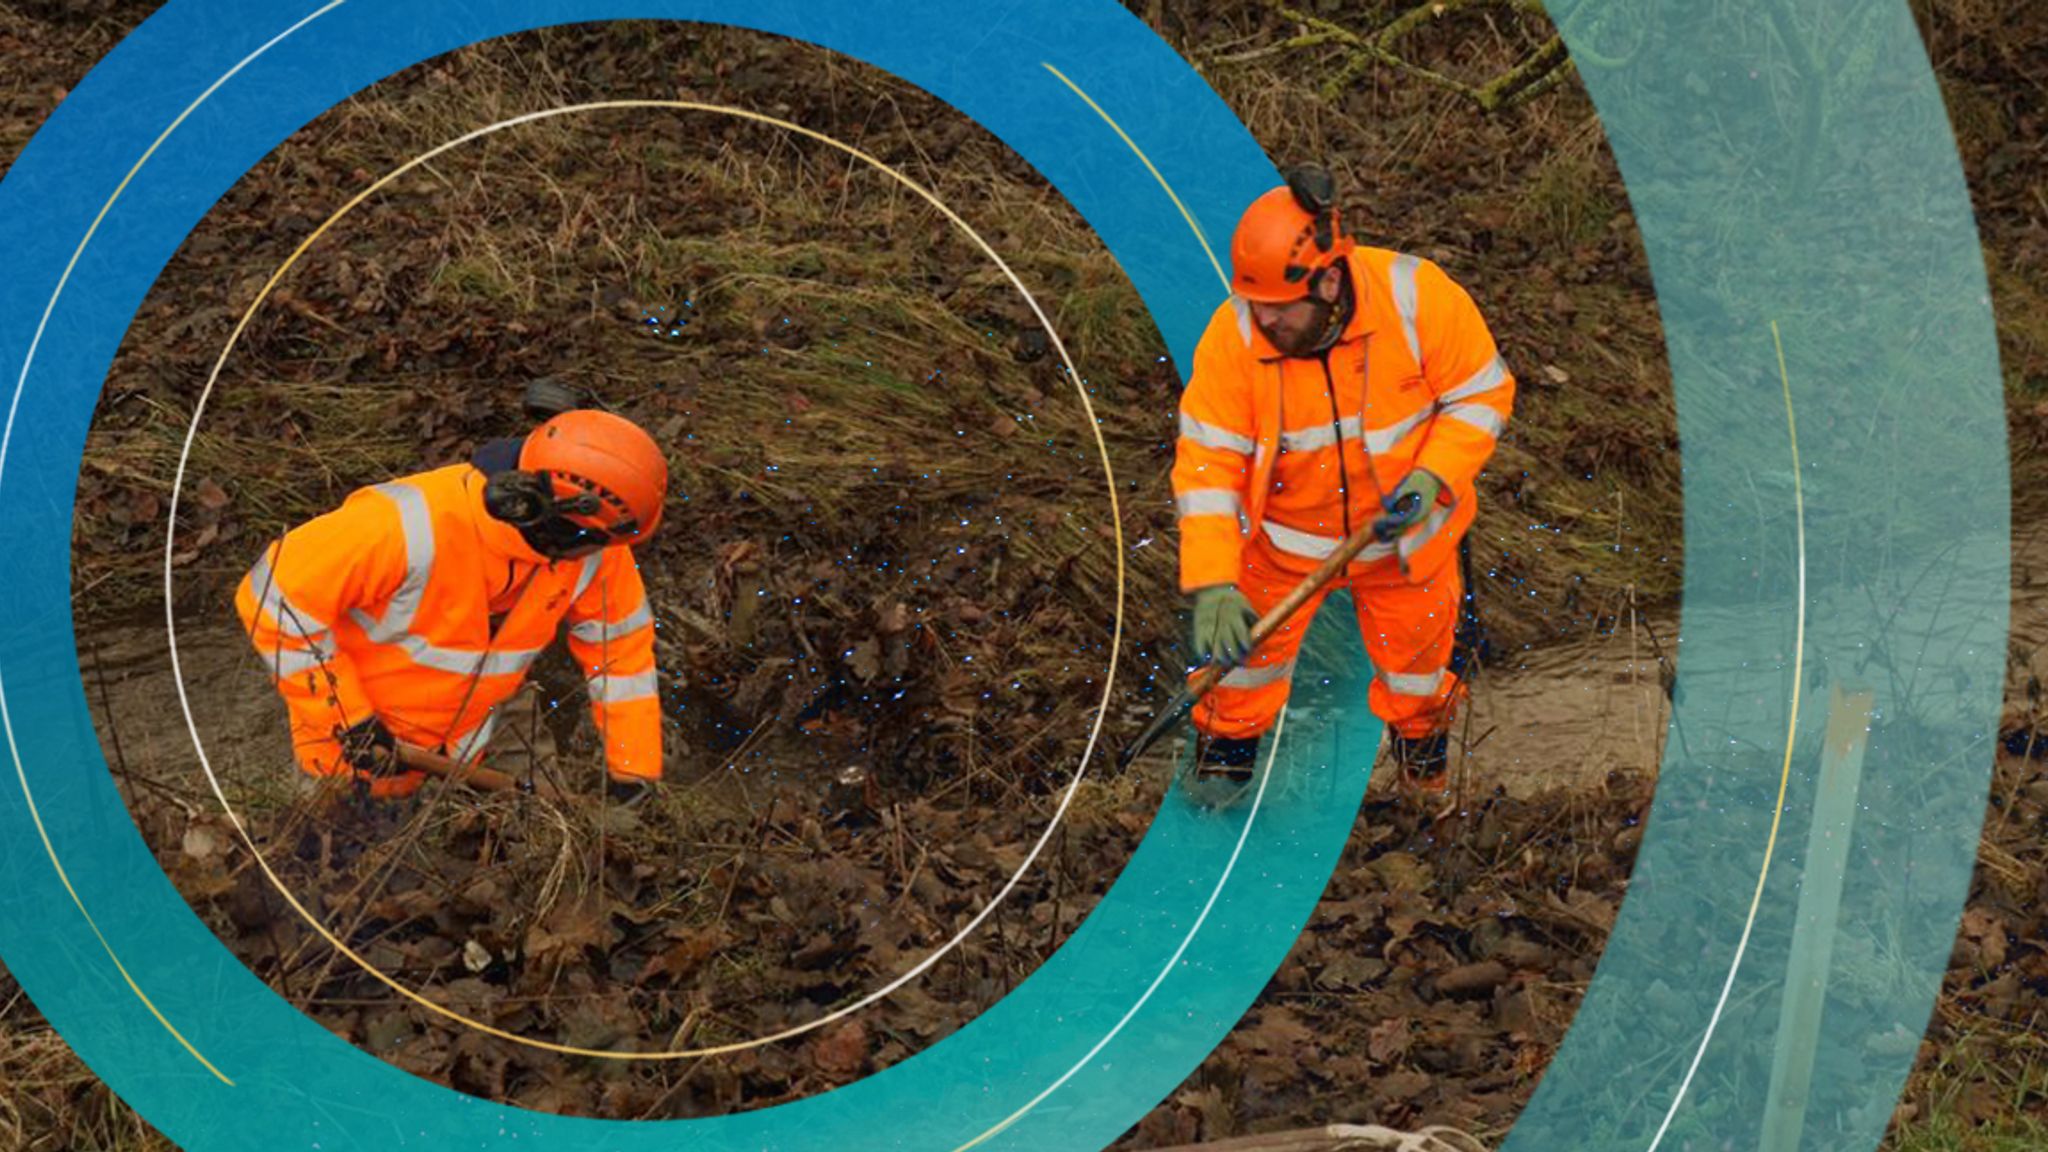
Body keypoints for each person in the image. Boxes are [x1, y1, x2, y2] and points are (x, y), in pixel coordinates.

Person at [1173, 165, 1515, 794]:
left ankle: (1423, 792)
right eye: (1255, 303)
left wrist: (1433, 476)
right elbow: (1207, 465)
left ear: (1328, 281)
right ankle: (1220, 784)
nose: (1264, 321)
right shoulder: (1234, 339)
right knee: (1238, 676)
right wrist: (1214, 580)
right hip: (1281, 546)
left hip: (1405, 541)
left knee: (1419, 681)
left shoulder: (1417, 298)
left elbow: (1481, 394)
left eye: (1279, 308)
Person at [236, 408, 668, 803]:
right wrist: (348, 719)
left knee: (539, 834)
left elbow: (622, 654)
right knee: (342, 848)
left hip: (491, 720)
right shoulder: (405, 526)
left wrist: (633, 767)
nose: (598, 556)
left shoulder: (598, 547)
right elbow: (272, 597)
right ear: (553, 525)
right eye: (590, 545)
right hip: (364, 737)